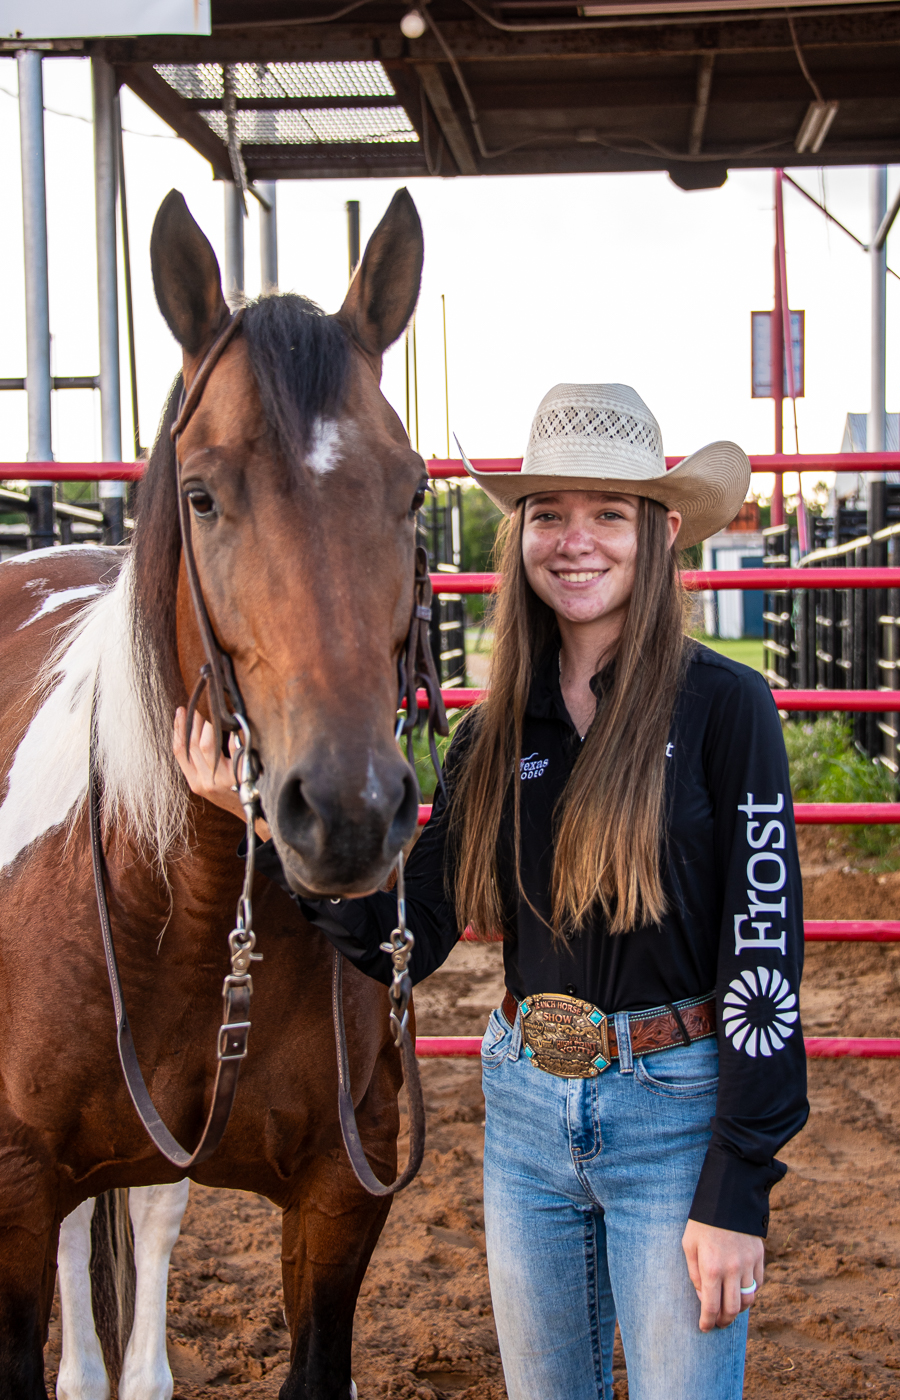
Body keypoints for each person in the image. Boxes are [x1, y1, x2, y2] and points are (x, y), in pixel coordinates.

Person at [175, 382, 808, 1400]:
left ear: (659, 532)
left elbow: (765, 958)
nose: (575, 541)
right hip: (525, 1113)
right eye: (548, 514)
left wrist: (737, 1185)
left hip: (675, 1119)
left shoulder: (726, 707)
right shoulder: (491, 732)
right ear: (520, 538)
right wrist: (262, 819)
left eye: (608, 514)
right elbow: (409, 937)